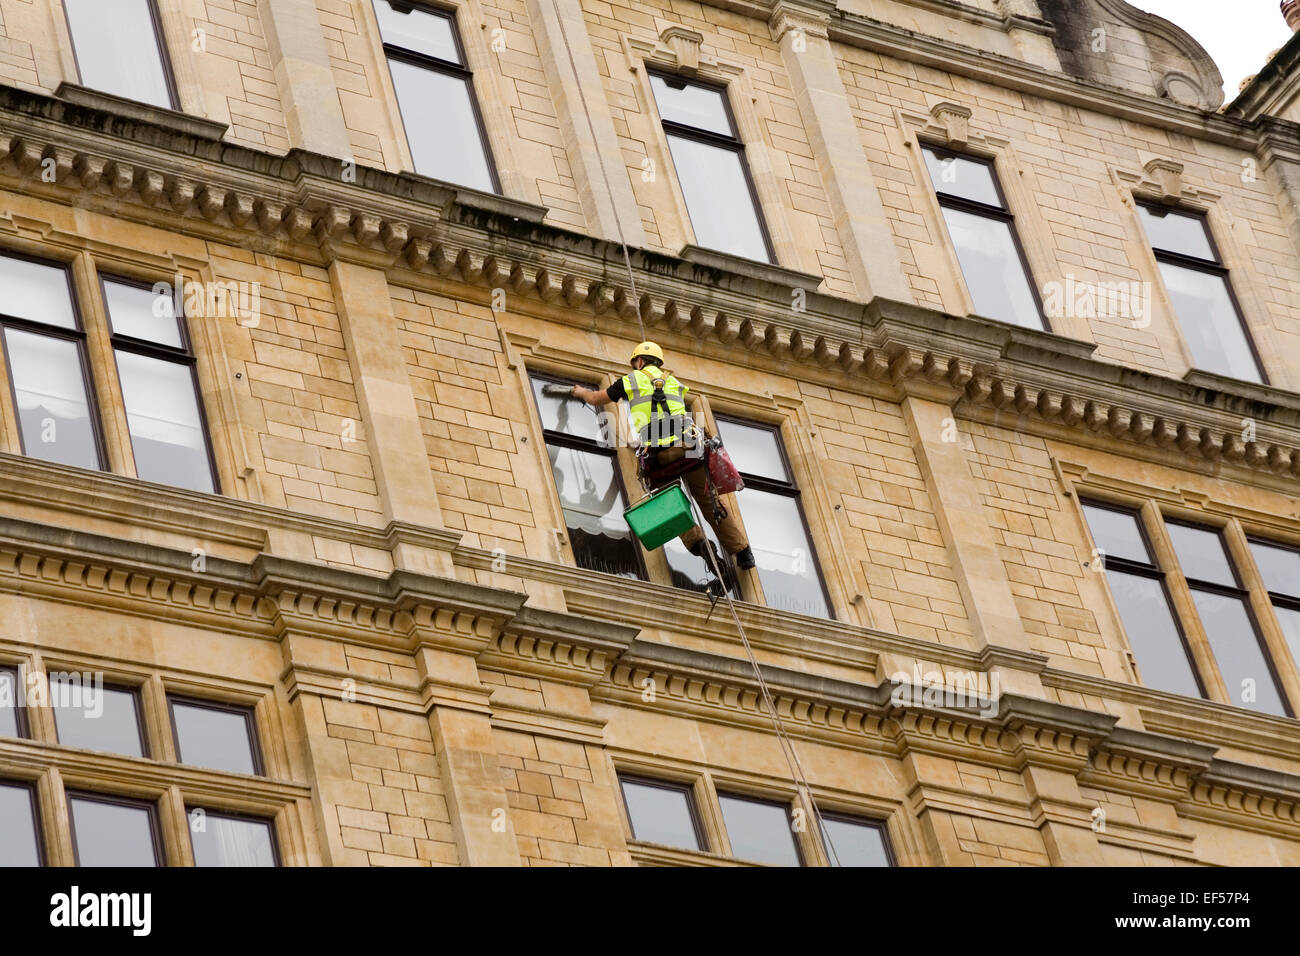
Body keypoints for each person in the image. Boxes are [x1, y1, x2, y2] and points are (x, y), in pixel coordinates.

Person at [566, 341, 756, 571]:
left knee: (669, 504)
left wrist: (580, 392)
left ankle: (698, 544)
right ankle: (743, 552)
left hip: (660, 456)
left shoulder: (631, 379)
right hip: (689, 447)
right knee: (710, 501)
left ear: (639, 361)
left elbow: (597, 398)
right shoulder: (673, 381)